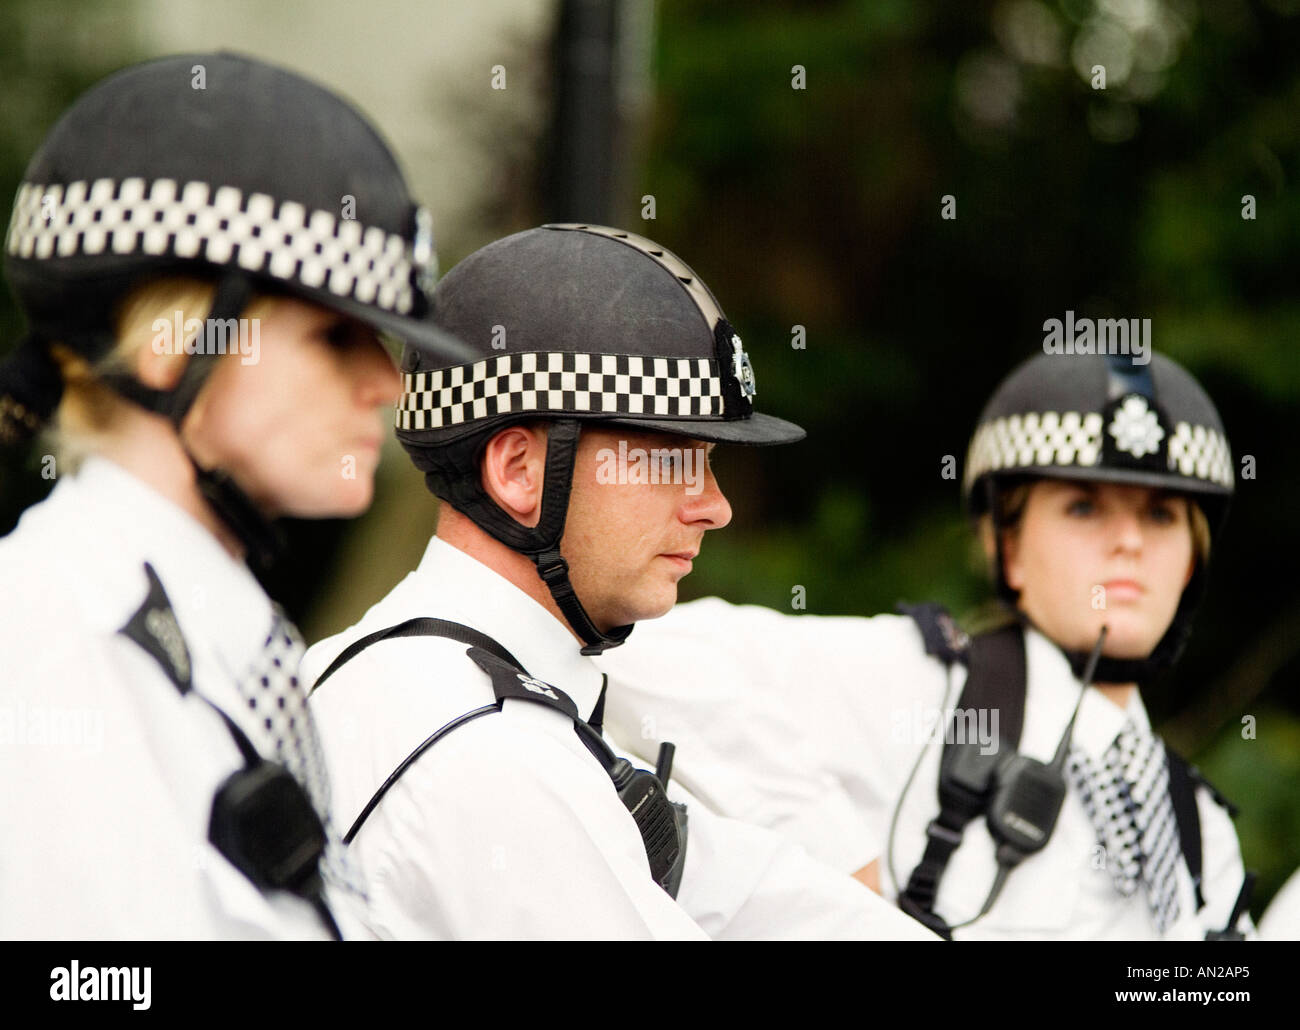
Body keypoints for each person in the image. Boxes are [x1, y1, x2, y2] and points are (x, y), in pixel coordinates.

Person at [303, 223, 937, 939]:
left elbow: (740, 886)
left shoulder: (390, 675)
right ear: (518, 471)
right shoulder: (491, 753)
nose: (715, 506)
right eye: (670, 458)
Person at [0, 52, 468, 939]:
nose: (387, 382)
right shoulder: (53, 640)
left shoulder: (188, 632)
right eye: (335, 338)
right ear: (173, 346)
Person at [595, 348, 1256, 940]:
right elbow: (649, 652)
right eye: (1084, 507)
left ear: (1193, 560)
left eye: (1163, 515)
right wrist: (845, 875)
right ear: (1008, 546)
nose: (1130, 543)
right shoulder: (922, 687)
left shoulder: (1199, 828)